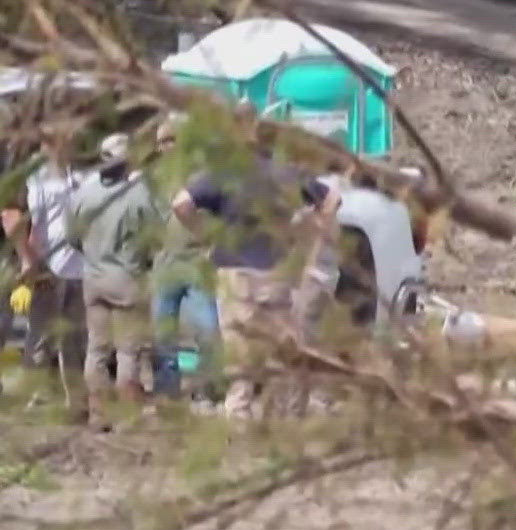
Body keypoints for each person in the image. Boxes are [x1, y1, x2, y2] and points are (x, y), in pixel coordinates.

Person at [171, 149, 340, 416]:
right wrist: (313, 237)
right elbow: (331, 198)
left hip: (233, 270)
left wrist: (204, 234)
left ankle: (239, 417)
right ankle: (286, 420)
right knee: (283, 350)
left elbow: (180, 203)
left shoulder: (221, 173)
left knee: (240, 352)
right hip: (275, 269)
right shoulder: (285, 172)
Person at [69, 133, 158, 419]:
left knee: (96, 348)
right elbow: (156, 235)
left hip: (93, 277)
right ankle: (126, 415)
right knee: (128, 351)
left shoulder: (83, 193)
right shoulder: (138, 194)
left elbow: (72, 237)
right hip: (128, 277)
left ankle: (98, 413)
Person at [3, 140, 89, 422]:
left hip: (77, 266)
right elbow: (25, 225)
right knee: (42, 334)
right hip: (48, 267)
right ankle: (35, 394)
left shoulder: (79, 176)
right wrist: (30, 262)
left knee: (73, 338)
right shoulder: (34, 181)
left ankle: (74, 399)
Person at [148, 115, 219, 399]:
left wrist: (208, 238)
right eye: (161, 142)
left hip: (196, 261)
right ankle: (167, 390)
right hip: (164, 263)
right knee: (163, 333)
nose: (166, 147)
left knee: (208, 331)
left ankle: (207, 388)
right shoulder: (153, 177)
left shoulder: (202, 174)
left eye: (171, 140)